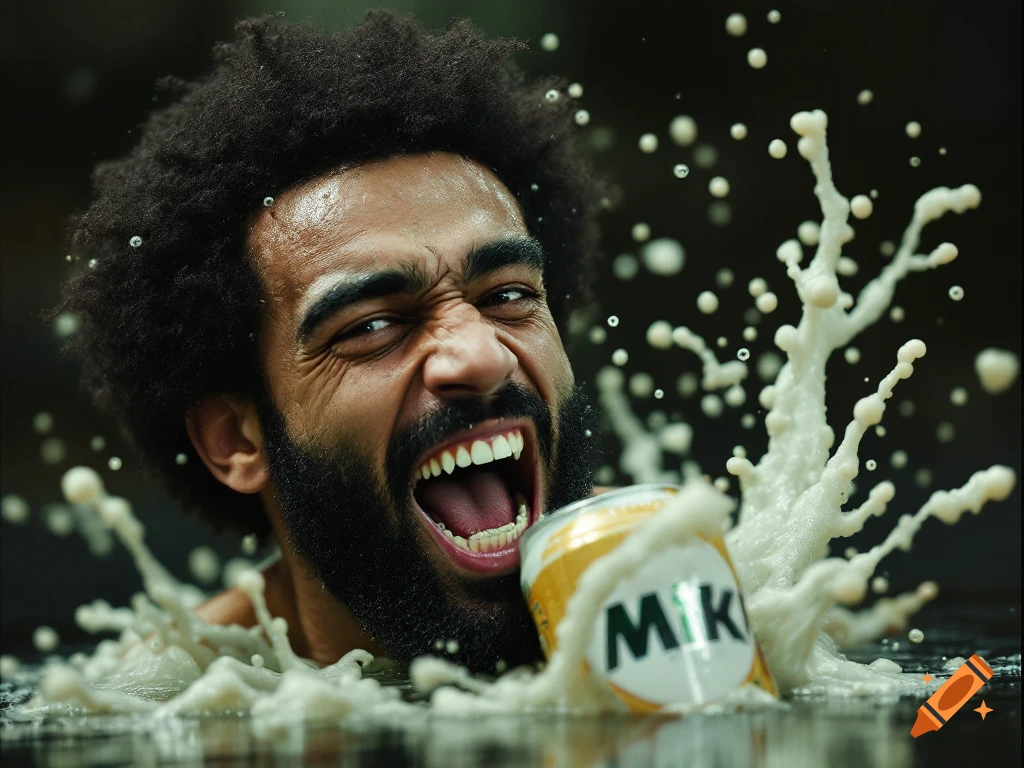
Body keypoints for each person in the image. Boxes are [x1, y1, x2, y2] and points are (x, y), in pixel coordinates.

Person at [54, 11, 606, 672]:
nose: (482, 356)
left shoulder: (719, 587)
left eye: (508, 297)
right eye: (373, 327)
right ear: (237, 438)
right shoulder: (162, 715)